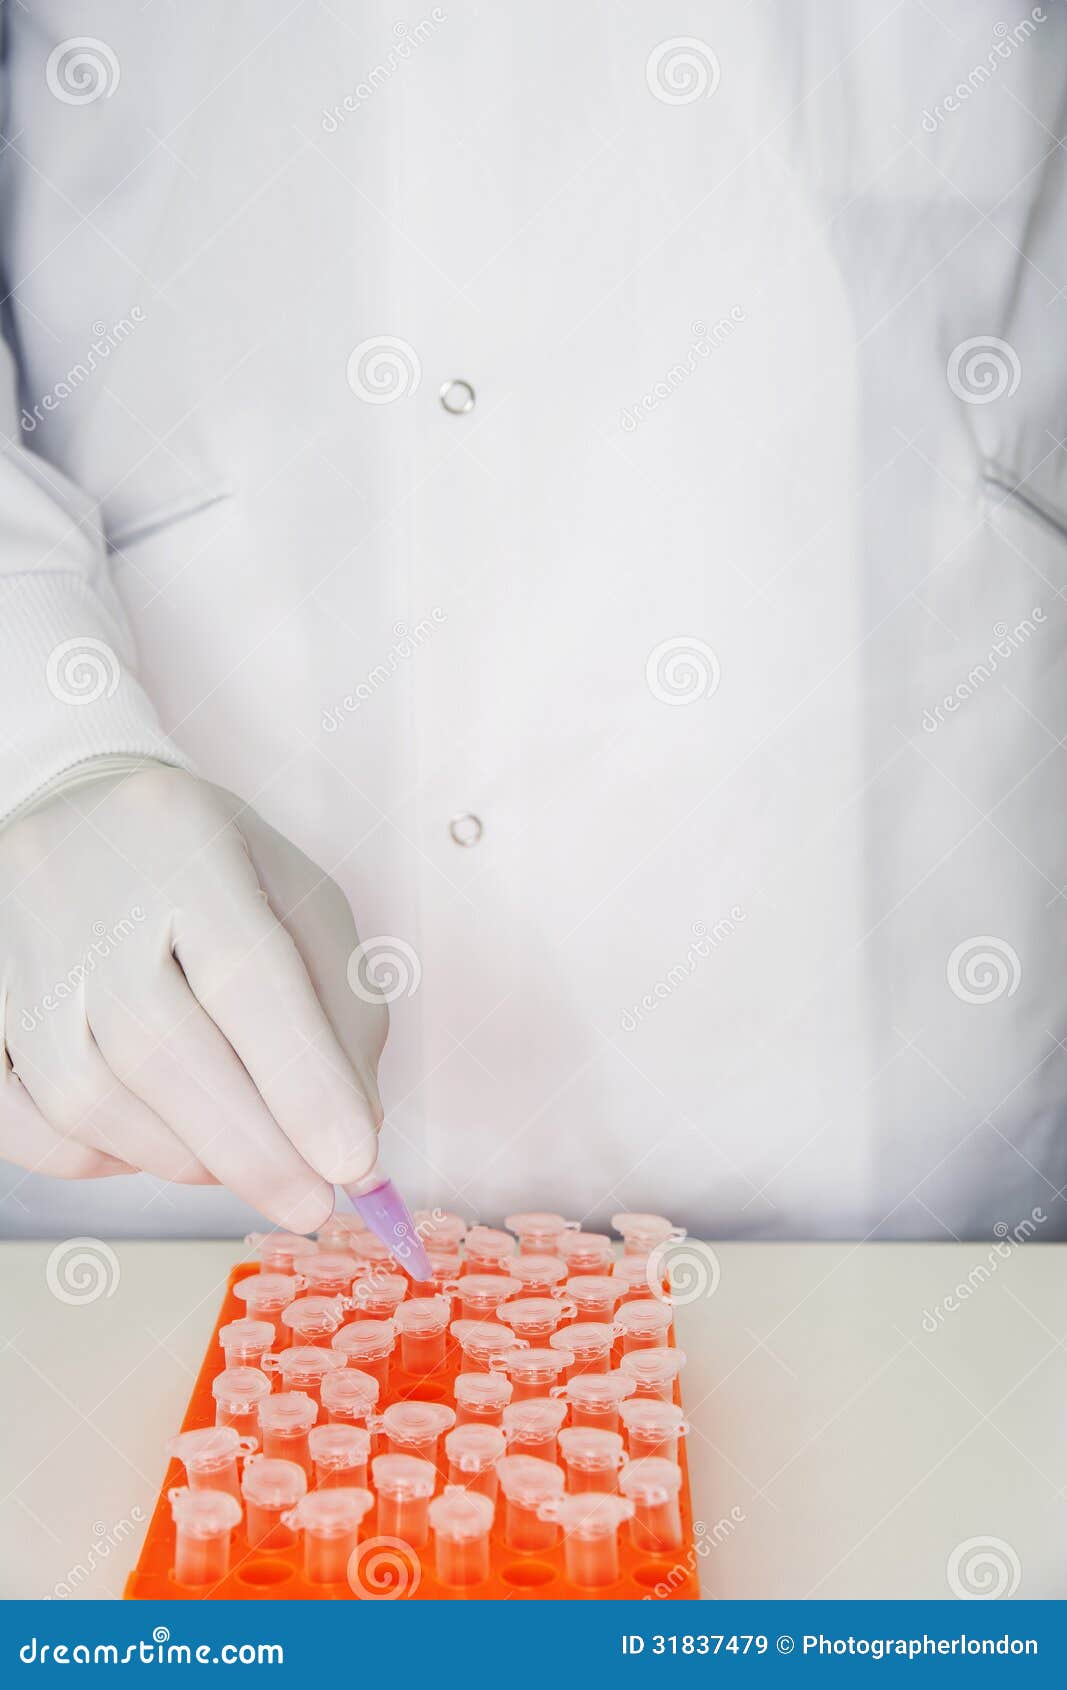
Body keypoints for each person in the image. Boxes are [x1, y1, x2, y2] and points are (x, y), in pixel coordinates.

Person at [1, 3, 1064, 1241]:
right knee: (167, 1406)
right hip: (160, 1006)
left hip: (910, 1009)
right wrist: (41, 743)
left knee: (923, 1407)